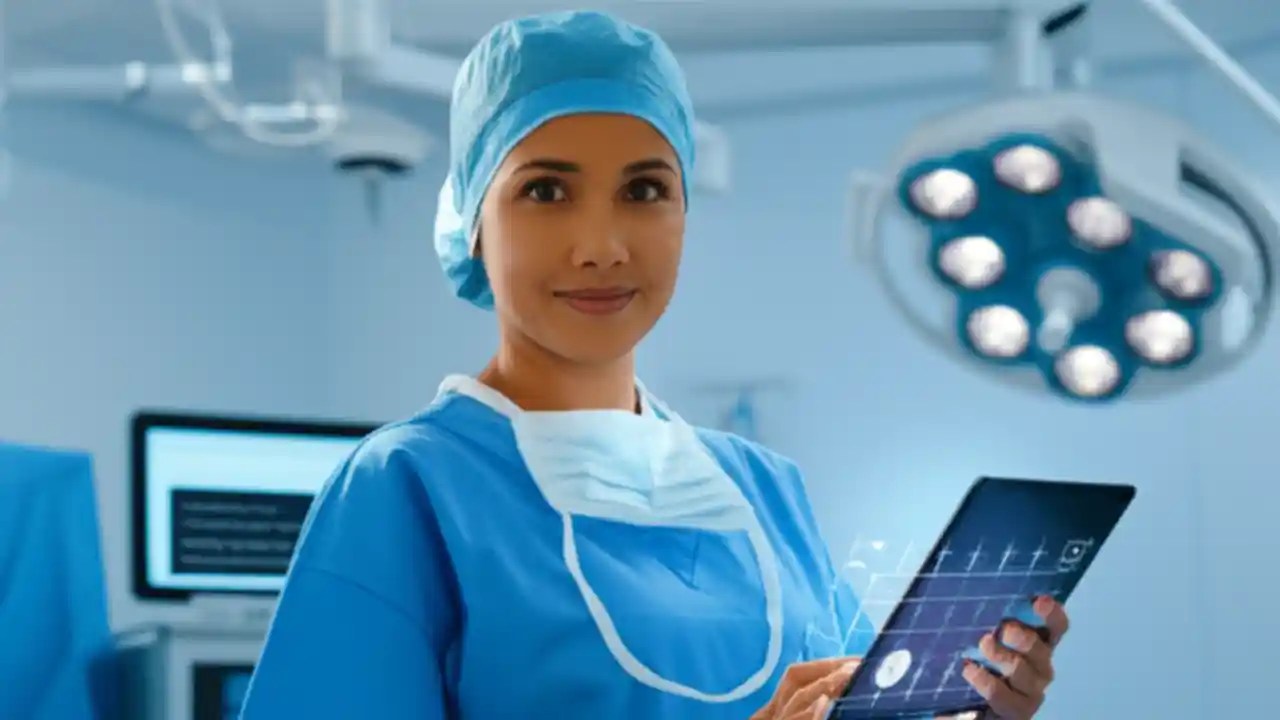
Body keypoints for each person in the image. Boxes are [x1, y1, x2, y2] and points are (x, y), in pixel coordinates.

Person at [238, 10, 1069, 720]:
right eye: (545, 191)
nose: (601, 247)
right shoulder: (408, 487)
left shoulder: (764, 489)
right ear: (473, 222)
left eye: (643, 191)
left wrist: (967, 705)